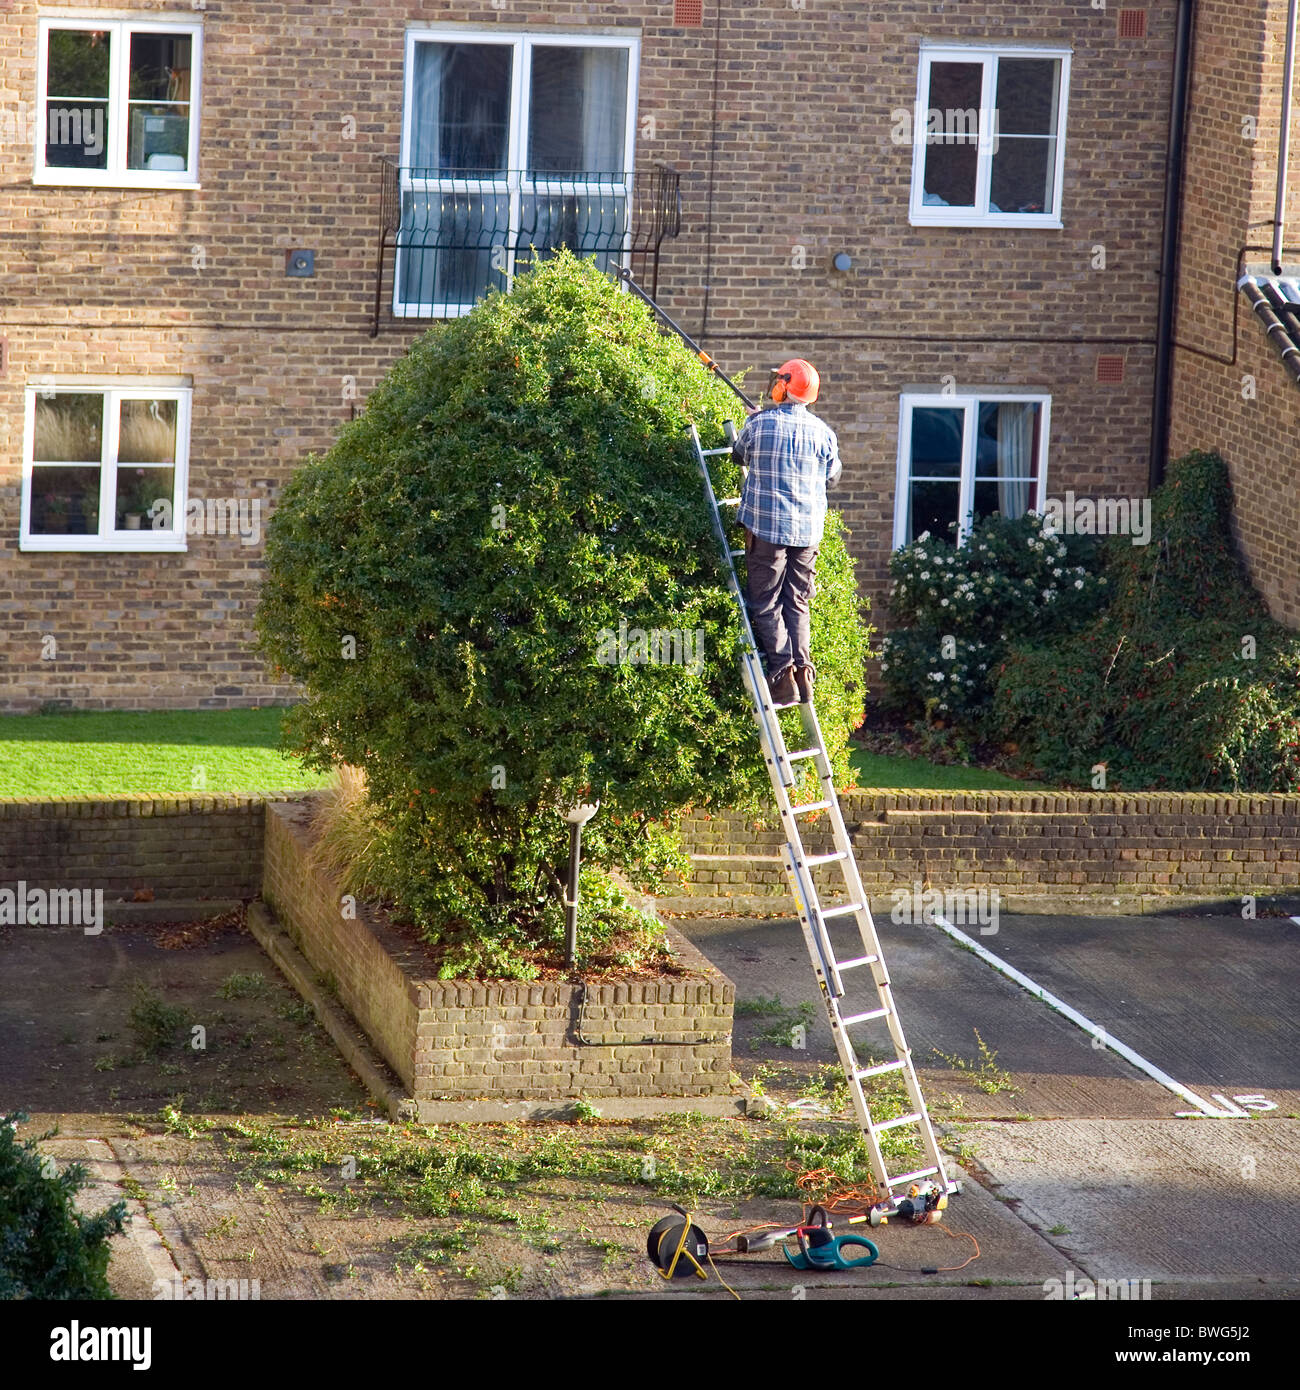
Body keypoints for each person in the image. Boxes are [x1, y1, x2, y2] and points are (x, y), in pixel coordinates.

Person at [732, 358, 842, 707]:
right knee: (797, 601)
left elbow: (739, 455)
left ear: (783, 386)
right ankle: (804, 676)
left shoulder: (760, 425)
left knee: (766, 601)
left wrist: (755, 421)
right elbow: (833, 476)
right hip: (808, 535)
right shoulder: (824, 433)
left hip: (767, 532)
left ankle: (782, 677)